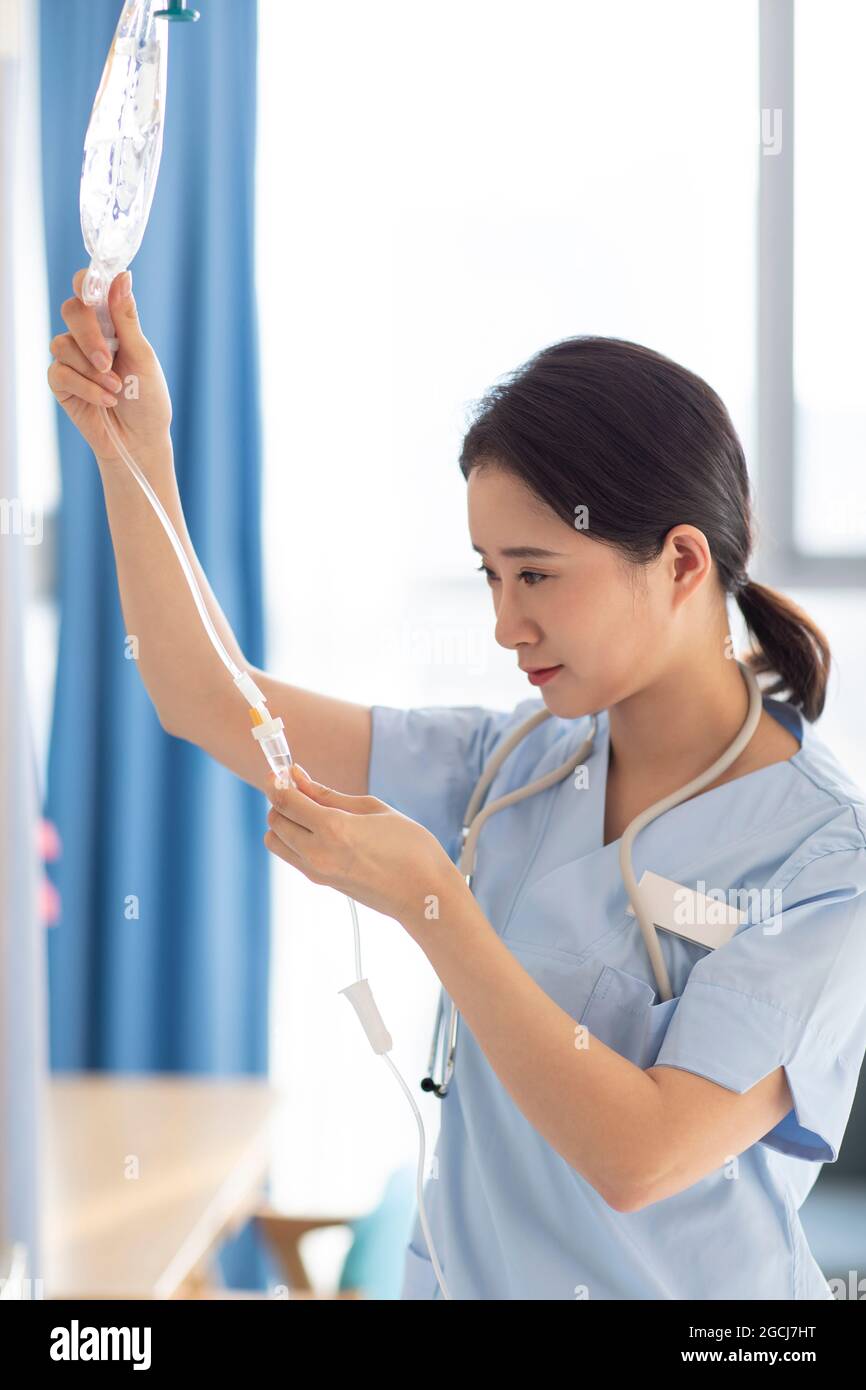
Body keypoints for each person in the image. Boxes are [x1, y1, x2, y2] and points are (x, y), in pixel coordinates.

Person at [48, 272, 866, 1300]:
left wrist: (432, 904)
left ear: (680, 563)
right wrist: (135, 457)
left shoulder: (820, 863)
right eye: (486, 573)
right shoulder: (513, 770)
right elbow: (210, 699)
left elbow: (641, 1155)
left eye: (535, 573)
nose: (502, 625)